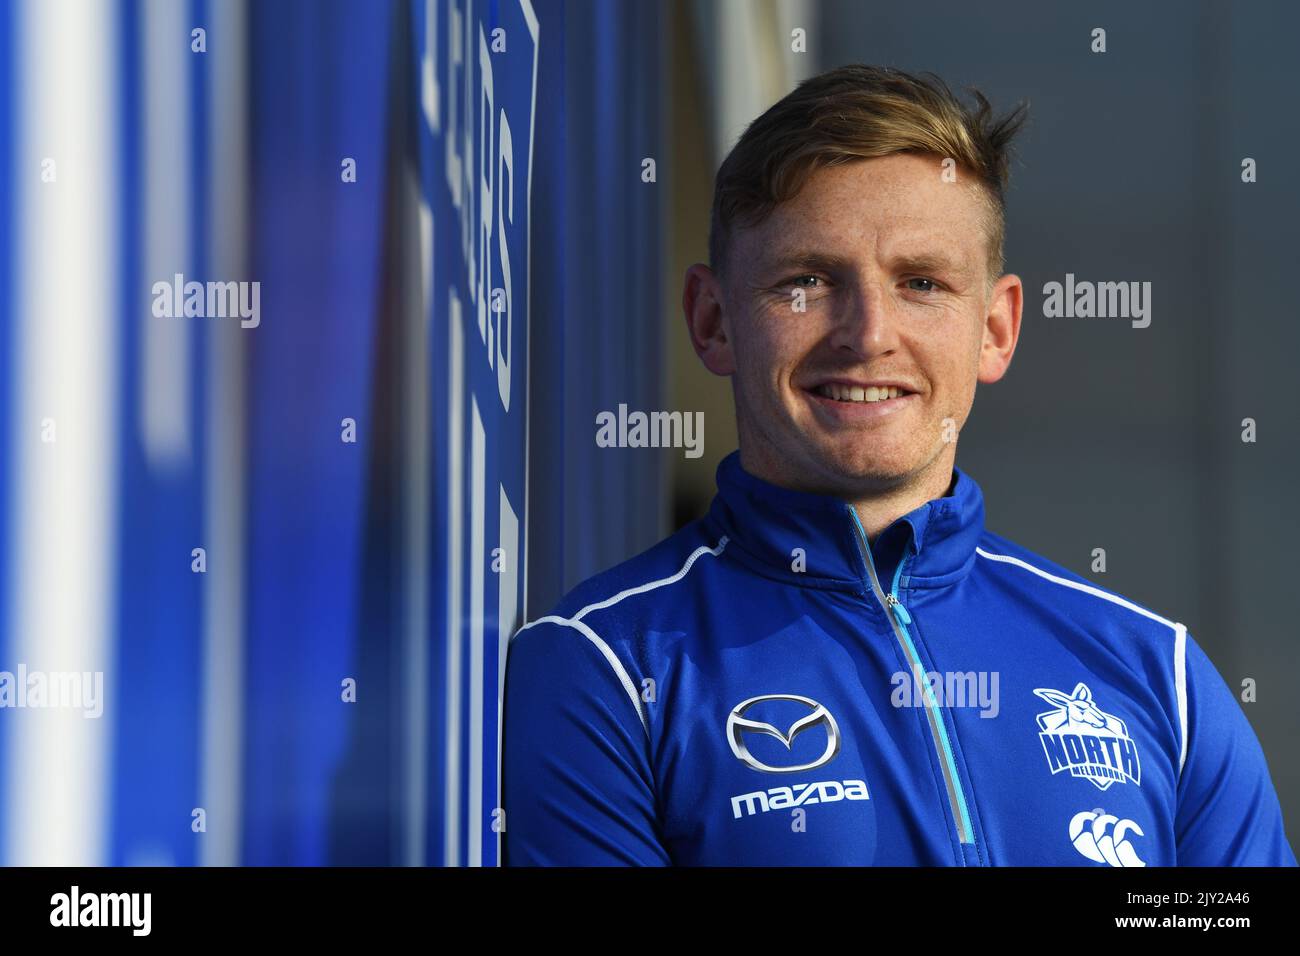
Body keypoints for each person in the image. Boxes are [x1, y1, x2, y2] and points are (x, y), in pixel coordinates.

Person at [502, 64, 1296, 866]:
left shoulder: (1160, 675)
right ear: (713, 321)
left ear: (996, 329)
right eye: (806, 282)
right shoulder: (601, 668)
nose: (868, 333)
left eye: (922, 283)